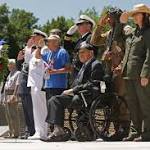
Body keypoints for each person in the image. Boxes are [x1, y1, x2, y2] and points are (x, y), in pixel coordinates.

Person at [44, 42, 104, 142]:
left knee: (56, 100)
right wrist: (71, 90)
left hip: (88, 95)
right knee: (54, 100)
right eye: (79, 53)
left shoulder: (95, 64)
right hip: (79, 94)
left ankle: (58, 130)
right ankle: (57, 128)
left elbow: (93, 83)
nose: (80, 55)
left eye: (82, 52)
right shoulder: (84, 66)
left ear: (91, 53)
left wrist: (73, 90)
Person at [90, 7, 130, 141]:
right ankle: (117, 129)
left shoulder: (126, 30)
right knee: (113, 101)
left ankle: (125, 129)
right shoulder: (109, 33)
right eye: (107, 17)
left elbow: (130, 51)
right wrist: (99, 25)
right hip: (109, 71)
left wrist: (121, 65)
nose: (108, 19)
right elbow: (94, 41)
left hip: (121, 72)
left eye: (111, 17)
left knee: (122, 100)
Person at [120, 3, 150, 141]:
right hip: (128, 73)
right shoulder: (132, 33)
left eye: (137, 14)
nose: (135, 17)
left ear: (144, 15)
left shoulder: (148, 32)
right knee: (132, 104)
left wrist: (145, 74)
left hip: (140, 74)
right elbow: (117, 39)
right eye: (134, 14)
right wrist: (122, 21)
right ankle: (134, 131)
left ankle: (147, 133)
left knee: (145, 104)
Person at [17, 29, 47, 139]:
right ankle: (38, 132)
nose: (32, 39)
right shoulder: (34, 52)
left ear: (41, 37)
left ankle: (42, 131)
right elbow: (27, 66)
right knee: (36, 109)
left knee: (41, 108)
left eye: (35, 37)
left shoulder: (44, 49)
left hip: (40, 83)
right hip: (33, 83)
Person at [35, 34, 71, 102]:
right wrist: (39, 47)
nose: (47, 43)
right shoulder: (49, 53)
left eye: (49, 41)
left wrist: (55, 71)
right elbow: (37, 56)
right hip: (48, 85)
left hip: (58, 86)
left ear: (56, 42)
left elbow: (69, 69)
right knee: (50, 109)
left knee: (57, 109)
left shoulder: (62, 52)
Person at [4, 59, 20, 138]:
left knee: (13, 114)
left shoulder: (17, 73)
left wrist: (14, 95)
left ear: (13, 65)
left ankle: (16, 133)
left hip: (12, 93)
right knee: (8, 115)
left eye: (10, 64)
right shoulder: (9, 74)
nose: (8, 66)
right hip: (7, 94)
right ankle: (10, 132)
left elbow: (17, 85)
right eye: (8, 64)